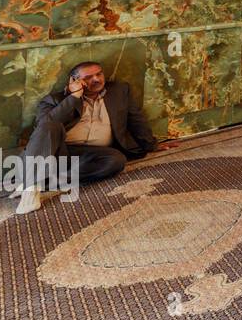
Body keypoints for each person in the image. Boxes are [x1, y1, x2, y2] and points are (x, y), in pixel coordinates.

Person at [17, 61, 161, 214]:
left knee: (116, 160)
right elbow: (43, 128)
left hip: (92, 155)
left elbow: (136, 119)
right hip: (58, 152)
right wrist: (74, 97)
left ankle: (44, 180)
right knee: (49, 123)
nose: (96, 79)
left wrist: (151, 145)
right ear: (74, 80)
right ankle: (30, 190)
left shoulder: (119, 91)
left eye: (99, 74)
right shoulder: (54, 100)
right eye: (89, 77)